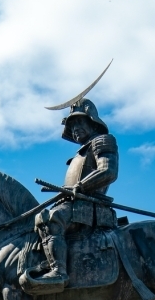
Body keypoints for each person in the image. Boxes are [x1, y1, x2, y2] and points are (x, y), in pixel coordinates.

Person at [30, 98, 119, 288]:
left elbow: (108, 171)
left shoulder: (102, 141)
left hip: (90, 206)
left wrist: (81, 186)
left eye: (79, 122)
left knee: (50, 219)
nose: (75, 128)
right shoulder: (79, 154)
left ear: (92, 122)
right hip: (75, 204)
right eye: (71, 125)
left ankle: (59, 272)